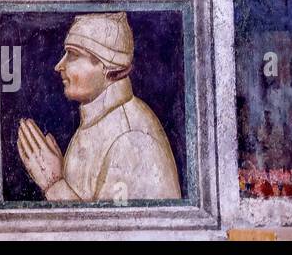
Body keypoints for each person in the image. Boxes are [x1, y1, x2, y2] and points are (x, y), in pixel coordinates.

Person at [17, 12, 181, 202]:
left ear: (108, 67)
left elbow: (109, 230)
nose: (59, 66)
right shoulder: (99, 121)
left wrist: (53, 184)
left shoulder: (131, 138)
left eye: (73, 54)